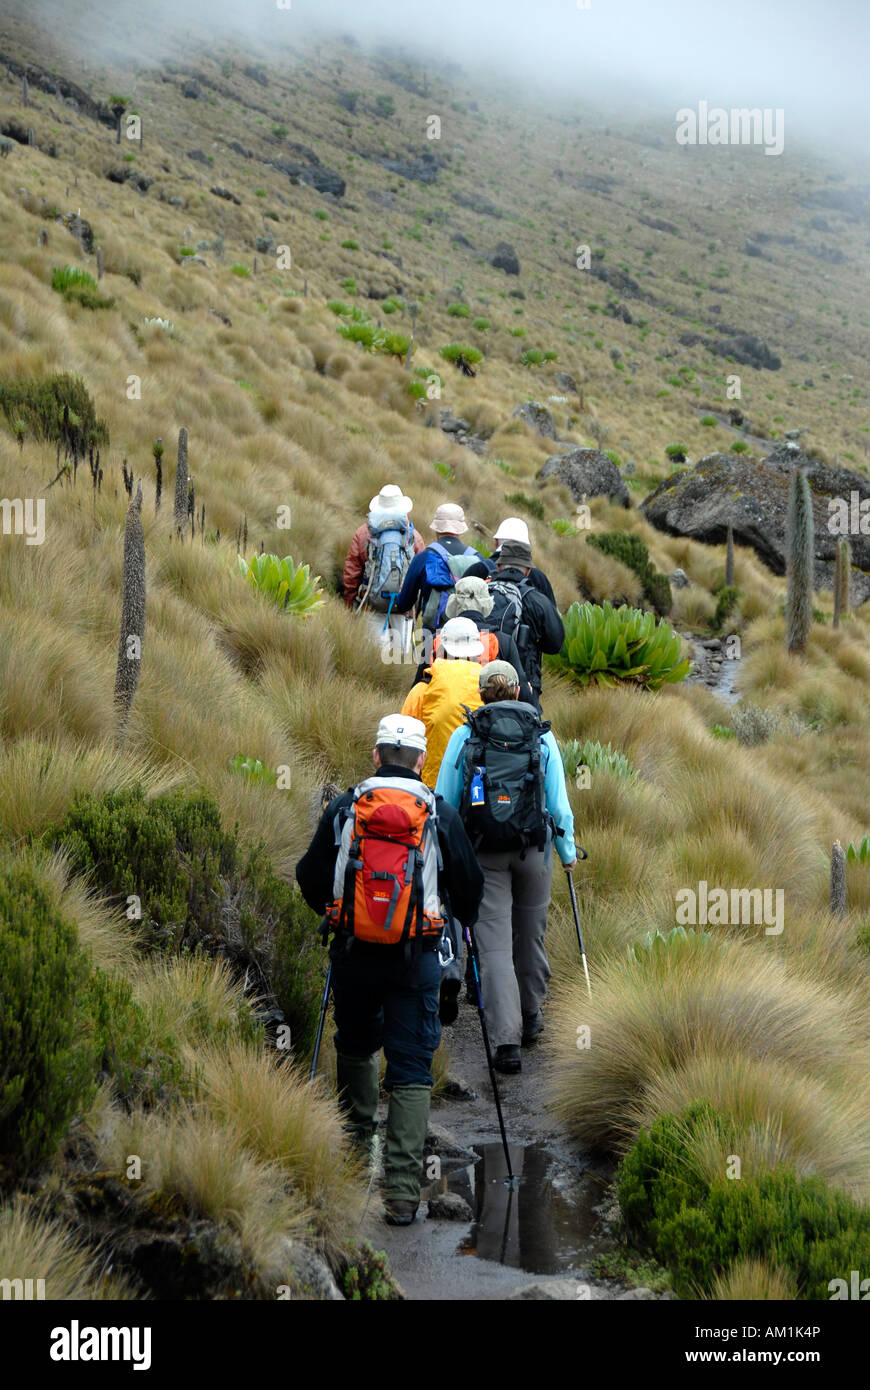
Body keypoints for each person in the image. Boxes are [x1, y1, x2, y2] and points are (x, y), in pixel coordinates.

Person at [296, 714, 484, 1226]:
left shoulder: (345, 807)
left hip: (354, 954)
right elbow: (470, 891)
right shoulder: (437, 813)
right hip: (416, 959)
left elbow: (309, 877)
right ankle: (401, 1192)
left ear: (376, 755)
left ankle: (355, 1167)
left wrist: (342, 917)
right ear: (422, 761)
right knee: (410, 1066)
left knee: (355, 1046)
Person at [436, 661, 576, 1075]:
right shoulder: (542, 738)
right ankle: (532, 1016)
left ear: (481, 695)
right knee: (530, 935)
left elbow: (445, 801)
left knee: (493, 945)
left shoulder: (465, 737)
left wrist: (447, 858)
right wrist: (566, 852)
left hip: (483, 853)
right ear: (518, 692)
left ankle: (506, 1042)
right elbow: (558, 806)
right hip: (533, 852)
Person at [407, 576, 535, 705]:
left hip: (440, 718)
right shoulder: (503, 641)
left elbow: (417, 691)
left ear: (454, 603)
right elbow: (524, 696)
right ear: (487, 604)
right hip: (485, 720)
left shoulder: (436, 640)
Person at [401, 617, 486, 789]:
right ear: (477, 652)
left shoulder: (422, 690)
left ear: (440, 648)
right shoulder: (491, 690)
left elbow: (404, 745)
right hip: (481, 789)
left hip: (432, 790)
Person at [343, 484, 425, 657]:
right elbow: (422, 575)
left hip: (371, 604)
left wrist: (351, 605)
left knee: (373, 655)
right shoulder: (413, 536)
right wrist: (416, 609)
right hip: (403, 608)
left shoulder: (363, 533)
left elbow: (352, 573)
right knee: (399, 659)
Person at [483, 539, 565, 712]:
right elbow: (556, 644)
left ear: (499, 567)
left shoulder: (481, 594)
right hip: (523, 686)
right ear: (528, 571)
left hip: (482, 682)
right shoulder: (538, 601)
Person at [392, 502, 480, 642]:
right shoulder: (477, 559)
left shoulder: (423, 558)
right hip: (471, 638)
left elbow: (404, 603)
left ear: (436, 529)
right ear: (460, 529)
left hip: (433, 638)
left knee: (429, 664)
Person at [464, 517, 557, 605]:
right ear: (526, 546)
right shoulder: (539, 578)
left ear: (496, 542)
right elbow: (551, 617)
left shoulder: (476, 570)